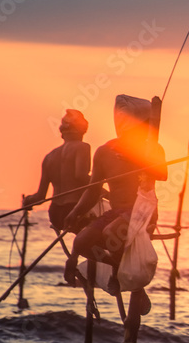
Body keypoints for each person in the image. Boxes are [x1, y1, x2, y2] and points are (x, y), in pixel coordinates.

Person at [64, 95, 167, 309]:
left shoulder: (151, 148)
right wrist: (75, 211)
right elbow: (93, 190)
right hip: (116, 212)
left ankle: (125, 279)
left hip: (142, 211)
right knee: (81, 242)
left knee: (111, 233)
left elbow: (162, 173)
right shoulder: (105, 152)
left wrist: (136, 160)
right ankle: (118, 269)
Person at [23, 109, 91, 232]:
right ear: (81, 130)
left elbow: (40, 197)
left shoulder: (49, 157)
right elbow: (81, 176)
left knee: (88, 244)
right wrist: (102, 185)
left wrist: (27, 201)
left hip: (55, 214)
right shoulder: (82, 147)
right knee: (100, 234)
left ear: (63, 132)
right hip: (74, 210)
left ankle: (84, 248)